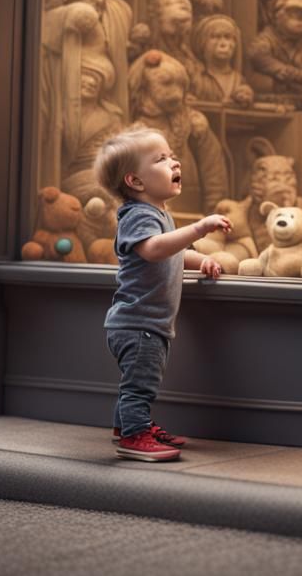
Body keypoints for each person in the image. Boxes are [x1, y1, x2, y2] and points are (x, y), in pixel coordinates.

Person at [94, 125, 232, 462]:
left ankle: (128, 425)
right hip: (138, 323)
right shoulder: (138, 215)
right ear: (135, 181)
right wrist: (199, 228)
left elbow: (172, 252)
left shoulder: (158, 215)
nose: (175, 163)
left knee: (138, 381)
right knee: (140, 385)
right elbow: (154, 250)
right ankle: (134, 435)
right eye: (161, 159)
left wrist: (202, 260)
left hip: (146, 322)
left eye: (172, 156)